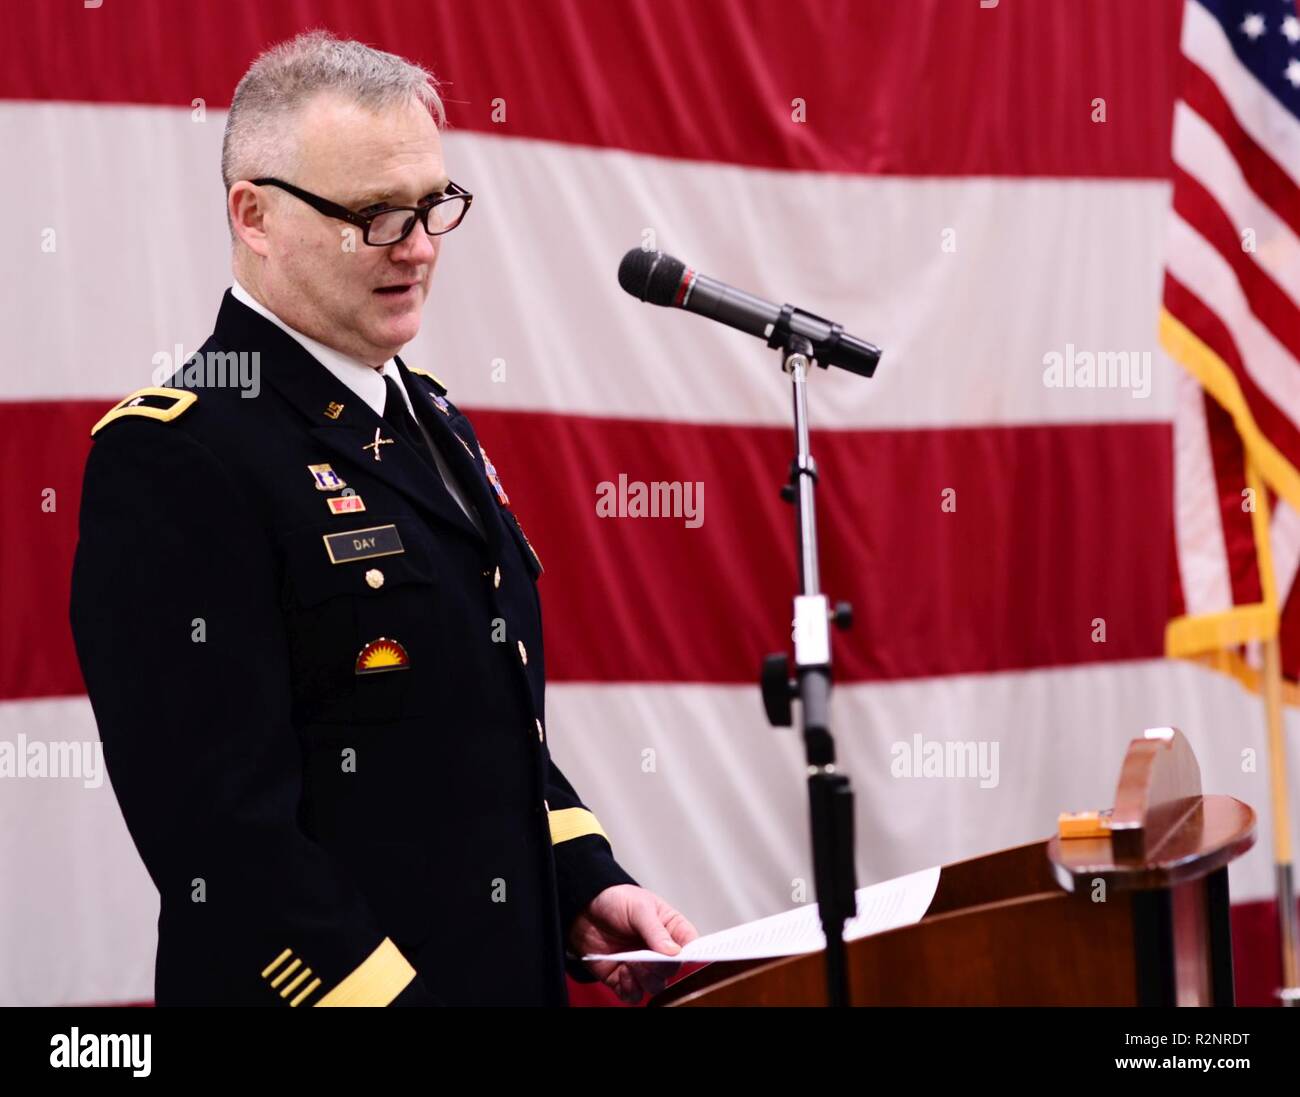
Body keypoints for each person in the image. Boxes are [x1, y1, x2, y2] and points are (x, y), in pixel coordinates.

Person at [69, 30, 696, 1007]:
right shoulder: (177, 455)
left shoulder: (431, 417)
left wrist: (585, 880)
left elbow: (480, 713)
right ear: (255, 215)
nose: (416, 245)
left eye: (432, 205)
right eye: (373, 215)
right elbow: (220, 839)